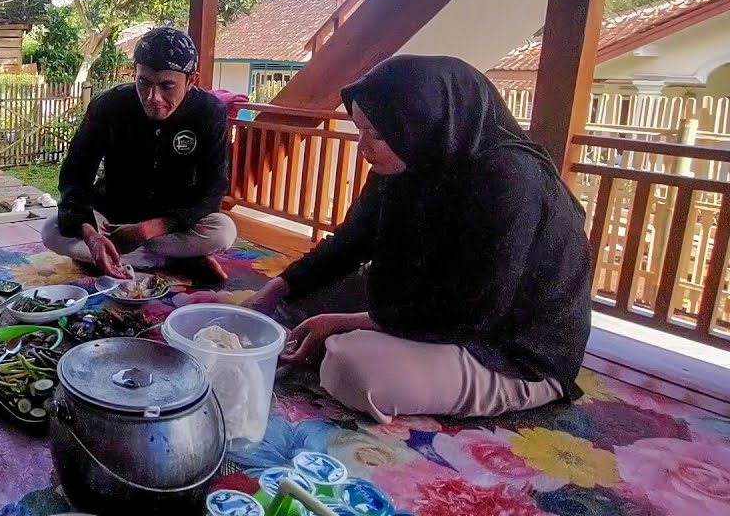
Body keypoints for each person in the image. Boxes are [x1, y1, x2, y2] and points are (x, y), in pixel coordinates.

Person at [246, 55, 591, 424]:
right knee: (298, 302)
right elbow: (352, 241)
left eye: (378, 134)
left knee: (351, 366)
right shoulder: (413, 158)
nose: (363, 146)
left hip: (508, 348)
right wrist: (278, 287)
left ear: (424, 123)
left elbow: (473, 310)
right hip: (433, 310)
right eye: (360, 130)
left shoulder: (509, 178)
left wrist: (346, 322)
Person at [42, 26, 237, 282]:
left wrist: (149, 229)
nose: (153, 97)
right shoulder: (108, 105)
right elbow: (75, 176)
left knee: (222, 232)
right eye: (143, 83)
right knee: (51, 230)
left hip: (168, 226)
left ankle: (110, 258)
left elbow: (213, 189)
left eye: (167, 86)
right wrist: (90, 235)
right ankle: (174, 259)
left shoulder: (209, 112)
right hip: (112, 218)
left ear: (191, 80)